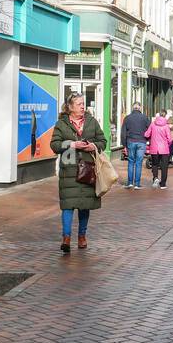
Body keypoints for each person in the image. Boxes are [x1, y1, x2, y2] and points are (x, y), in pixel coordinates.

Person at [52, 93, 107, 253]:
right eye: (79, 104)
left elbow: (103, 141)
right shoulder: (61, 124)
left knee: (84, 205)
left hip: (87, 170)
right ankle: (66, 238)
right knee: (68, 206)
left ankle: (82, 236)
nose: (83, 106)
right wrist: (72, 144)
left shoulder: (91, 122)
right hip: (68, 170)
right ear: (70, 107)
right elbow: (54, 145)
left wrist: (93, 146)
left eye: (83, 104)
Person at [120, 102, 151, 189]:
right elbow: (149, 130)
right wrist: (148, 140)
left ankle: (130, 183)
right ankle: (137, 184)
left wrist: (124, 144)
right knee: (138, 163)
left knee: (130, 162)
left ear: (133, 108)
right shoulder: (145, 118)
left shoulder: (127, 118)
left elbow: (123, 133)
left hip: (131, 141)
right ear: (140, 108)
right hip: (141, 142)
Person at [146, 110, 173, 188]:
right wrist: (168, 144)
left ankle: (155, 178)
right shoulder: (166, 126)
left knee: (154, 164)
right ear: (165, 116)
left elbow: (147, 134)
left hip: (154, 148)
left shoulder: (152, 124)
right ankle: (163, 184)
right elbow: (170, 139)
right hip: (164, 148)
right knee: (164, 166)